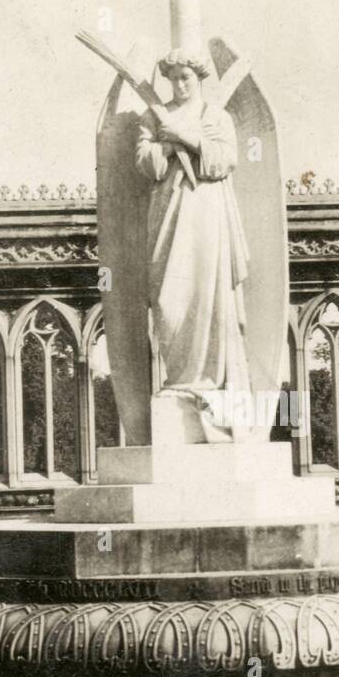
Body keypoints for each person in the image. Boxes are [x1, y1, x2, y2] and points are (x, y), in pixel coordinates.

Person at [135, 48, 251, 438]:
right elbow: (146, 165)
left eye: (187, 77)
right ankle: (179, 378)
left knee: (207, 293)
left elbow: (223, 161)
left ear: (199, 78)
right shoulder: (152, 116)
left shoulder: (216, 117)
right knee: (169, 298)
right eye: (174, 77)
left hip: (207, 214)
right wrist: (166, 144)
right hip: (169, 212)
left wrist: (188, 137)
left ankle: (207, 380)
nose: (180, 84)